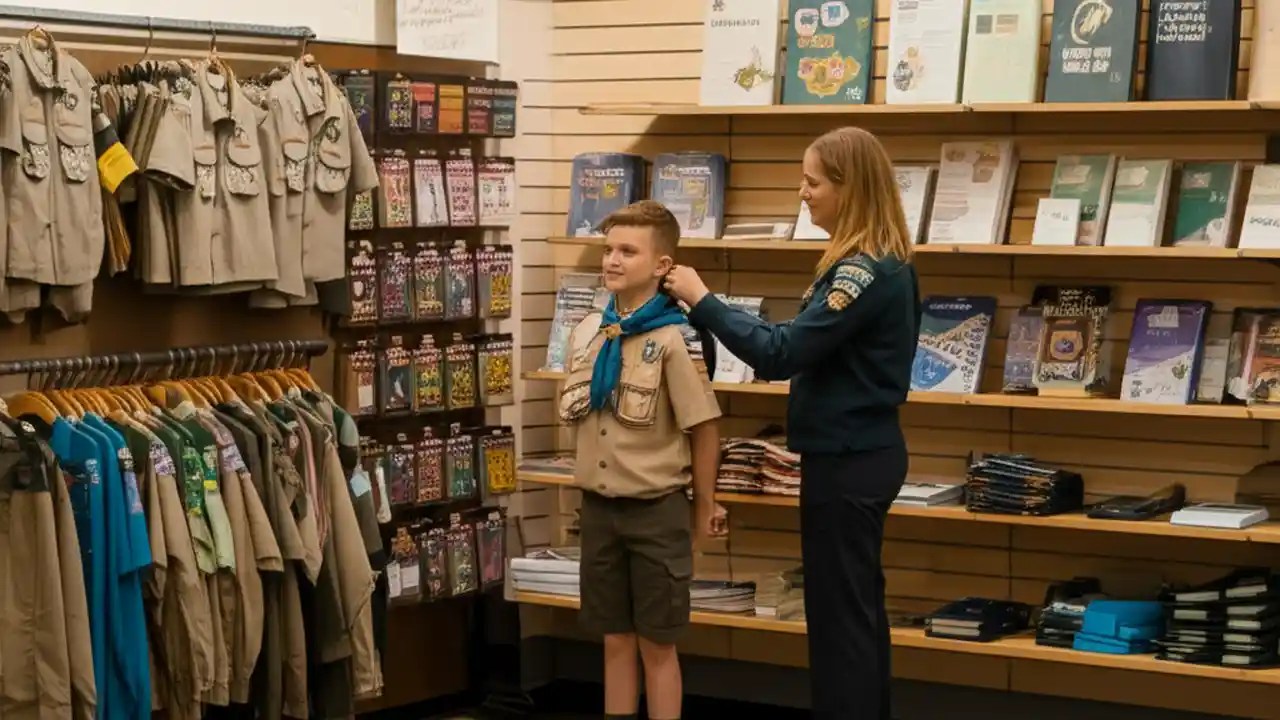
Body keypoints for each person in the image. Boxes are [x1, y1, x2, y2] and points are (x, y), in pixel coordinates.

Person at [662, 126, 921, 719]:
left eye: (813, 181)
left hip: (849, 461)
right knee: (854, 613)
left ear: (849, 187)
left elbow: (780, 353)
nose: (803, 193)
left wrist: (703, 298)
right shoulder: (877, 262)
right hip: (855, 454)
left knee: (839, 622)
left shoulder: (864, 273)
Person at [557, 199, 727, 720]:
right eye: (608, 249)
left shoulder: (676, 338)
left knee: (657, 643)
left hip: (657, 512)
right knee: (614, 639)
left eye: (628, 251)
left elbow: (704, 427)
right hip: (600, 510)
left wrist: (704, 507)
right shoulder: (587, 333)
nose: (612, 260)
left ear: (662, 267)